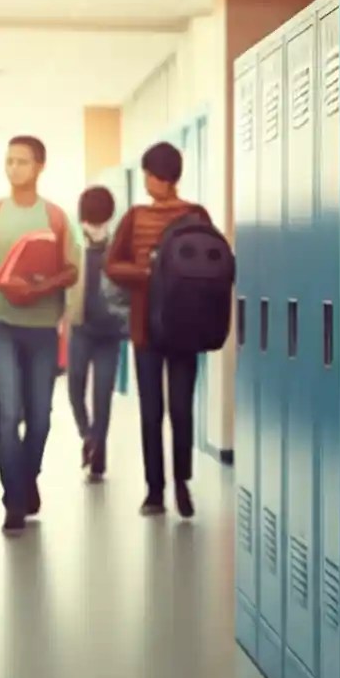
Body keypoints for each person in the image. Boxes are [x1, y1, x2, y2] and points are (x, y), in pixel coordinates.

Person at [0, 135, 79, 534]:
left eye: (22, 162)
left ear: (40, 166)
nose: (14, 168)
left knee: (40, 418)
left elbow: (72, 269)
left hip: (42, 327)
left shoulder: (56, 217)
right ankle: (14, 500)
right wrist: (0, 287)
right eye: (9, 161)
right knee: (9, 411)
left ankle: (28, 478)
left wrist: (42, 286)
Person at [106, 141, 212, 518]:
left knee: (178, 410)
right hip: (147, 327)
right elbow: (112, 264)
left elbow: (210, 265)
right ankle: (156, 489)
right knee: (154, 411)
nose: (147, 181)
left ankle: (179, 484)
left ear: (160, 177)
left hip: (184, 325)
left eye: (150, 175)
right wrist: (147, 273)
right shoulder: (135, 218)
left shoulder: (194, 215)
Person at [66, 186, 129, 483]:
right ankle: (87, 435)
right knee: (75, 388)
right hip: (80, 328)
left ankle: (98, 456)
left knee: (102, 396)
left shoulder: (117, 247)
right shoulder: (74, 247)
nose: (94, 225)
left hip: (110, 334)